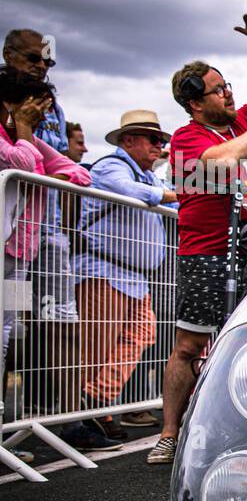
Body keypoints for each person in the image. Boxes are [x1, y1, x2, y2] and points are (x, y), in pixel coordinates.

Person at [150, 8, 247, 465]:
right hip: (206, 252)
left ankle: (239, 428)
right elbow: (222, 162)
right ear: (194, 102)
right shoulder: (188, 137)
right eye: (218, 89)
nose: (229, 92)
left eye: (228, 85)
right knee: (191, 343)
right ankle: (170, 432)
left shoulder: (238, 121)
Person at [74, 111, 176, 446]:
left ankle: (95, 400)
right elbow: (126, 190)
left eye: (160, 140)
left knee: (143, 334)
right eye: (153, 139)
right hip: (104, 271)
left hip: (133, 276)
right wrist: (179, 195)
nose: (159, 146)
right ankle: (89, 416)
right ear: (128, 140)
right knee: (97, 348)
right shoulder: (110, 167)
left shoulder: (151, 178)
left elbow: (172, 202)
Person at [1, 69, 89, 352]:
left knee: (7, 327)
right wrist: (24, 128)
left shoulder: (29, 141)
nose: (39, 119)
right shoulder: (16, 139)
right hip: (4, 250)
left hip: (21, 254)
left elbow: (79, 175)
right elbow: (23, 163)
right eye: (34, 110)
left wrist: (42, 179)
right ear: (11, 105)